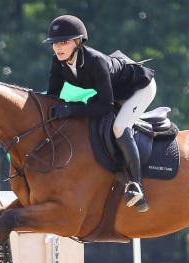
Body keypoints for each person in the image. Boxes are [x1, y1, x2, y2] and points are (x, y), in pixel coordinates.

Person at [44, 15, 156, 212]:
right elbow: (52, 97)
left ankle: (136, 185)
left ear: (78, 42)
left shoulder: (95, 61)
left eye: (63, 42)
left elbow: (105, 106)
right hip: (114, 92)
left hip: (138, 88)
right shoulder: (58, 62)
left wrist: (71, 109)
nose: (58, 47)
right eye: (54, 43)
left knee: (119, 127)